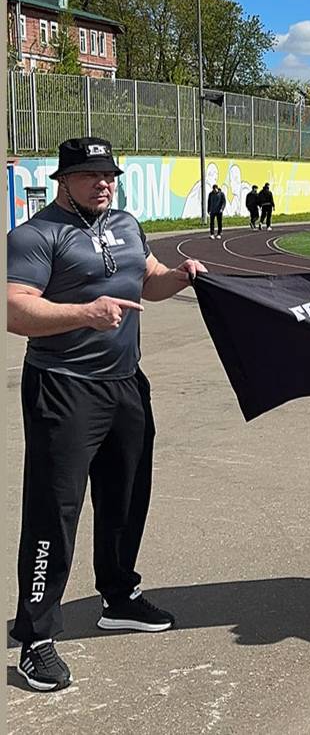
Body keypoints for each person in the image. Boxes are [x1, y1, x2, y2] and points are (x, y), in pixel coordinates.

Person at [7, 137, 207, 692]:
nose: (103, 183)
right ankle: (36, 637)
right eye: (91, 175)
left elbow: (148, 279)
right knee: (54, 510)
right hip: (63, 386)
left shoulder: (126, 223)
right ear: (63, 180)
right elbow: (15, 310)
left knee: (126, 496)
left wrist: (181, 275)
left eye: (110, 175)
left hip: (125, 383)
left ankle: (118, 597)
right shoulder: (34, 235)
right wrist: (84, 313)